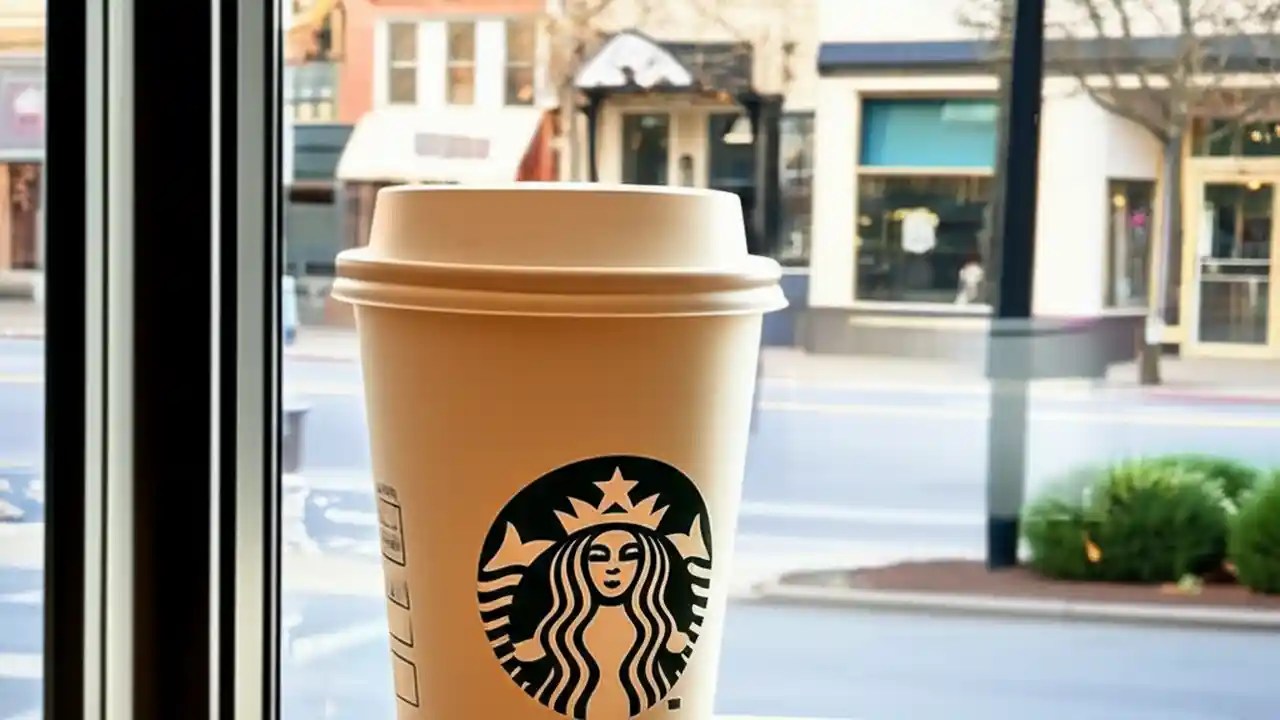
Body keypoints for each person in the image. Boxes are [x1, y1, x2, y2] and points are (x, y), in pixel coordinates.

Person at [512, 524, 690, 718]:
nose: (613, 567)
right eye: (598, 557)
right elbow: (524, 653)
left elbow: (677, 644)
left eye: (629, 556)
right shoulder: (559, 625)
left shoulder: (657, 621)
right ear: (579, 565)